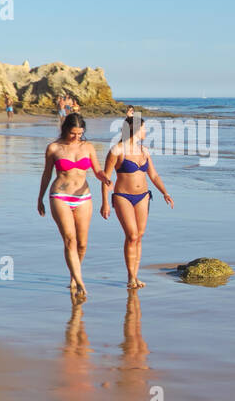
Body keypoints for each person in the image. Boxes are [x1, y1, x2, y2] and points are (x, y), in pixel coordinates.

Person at [37, 113, 108, 298]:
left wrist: (104, 178)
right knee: (70, 240)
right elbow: (46, 174)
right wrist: (40, 198)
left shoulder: (88, 147)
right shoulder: (53, 148)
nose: (76, 137)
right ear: (65, 129)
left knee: (82, 244)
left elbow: (97, 170)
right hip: (60, 196)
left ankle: (73, 276)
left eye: (80, 133)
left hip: (83, 197)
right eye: (72, 133)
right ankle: (80, 281)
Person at [101, 115, 174, 289]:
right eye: (143, 128)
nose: (146, 131)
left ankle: (135, 276)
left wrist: (165, 192)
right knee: (132, 235)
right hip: (123, 196)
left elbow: (154, 175)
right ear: (134, 130)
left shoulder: (144, 150)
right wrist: (104, 202)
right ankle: (130, 277)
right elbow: (106, 179)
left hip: (143, 196)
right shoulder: (117, 150)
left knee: (139, 237)